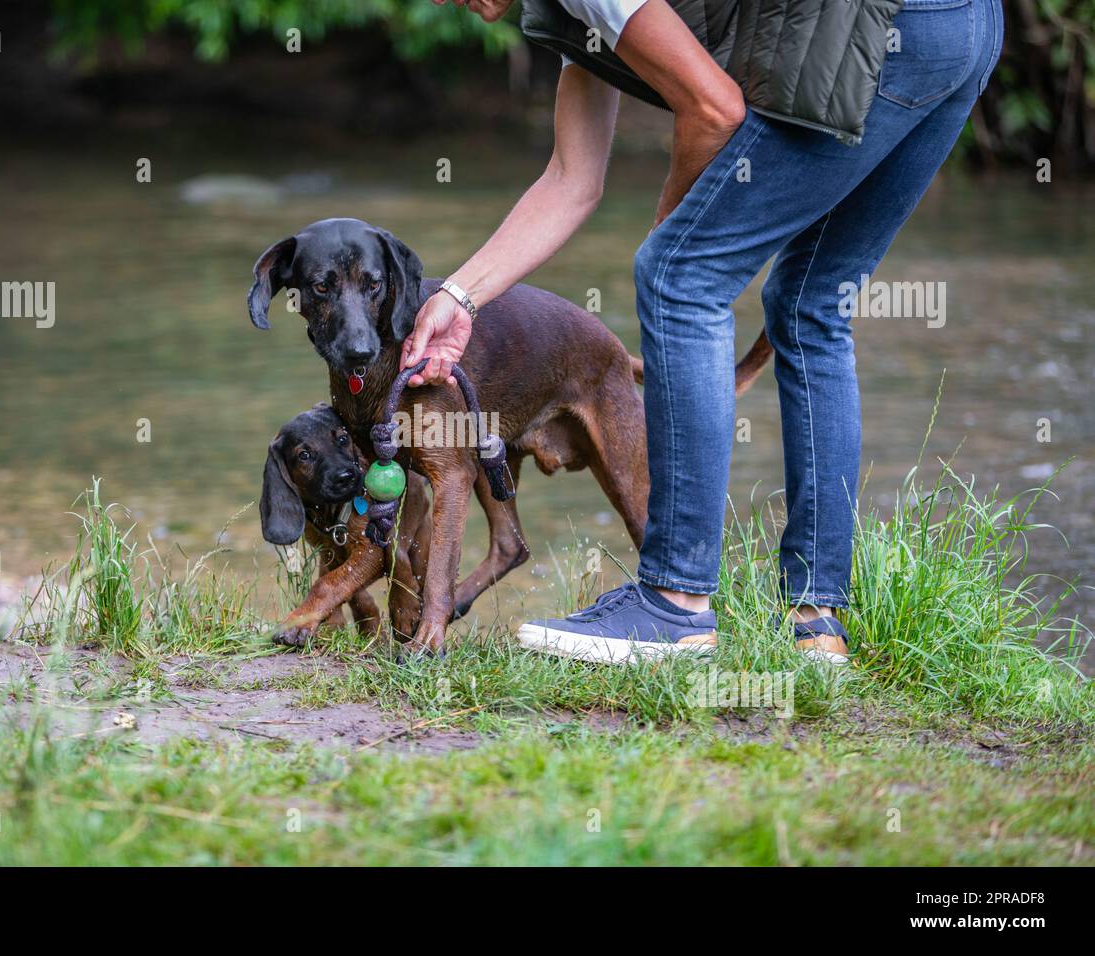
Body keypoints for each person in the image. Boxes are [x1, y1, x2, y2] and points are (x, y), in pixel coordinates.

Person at [401, 0, 1004, 664]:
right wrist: (461, 296)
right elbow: (572, 180)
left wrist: (672, 242)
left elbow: (715, 110)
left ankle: (674, 606)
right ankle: (815, 626)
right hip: (963, 27)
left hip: (896, 28)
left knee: (679, 276)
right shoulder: (579, 13)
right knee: (811, 304)